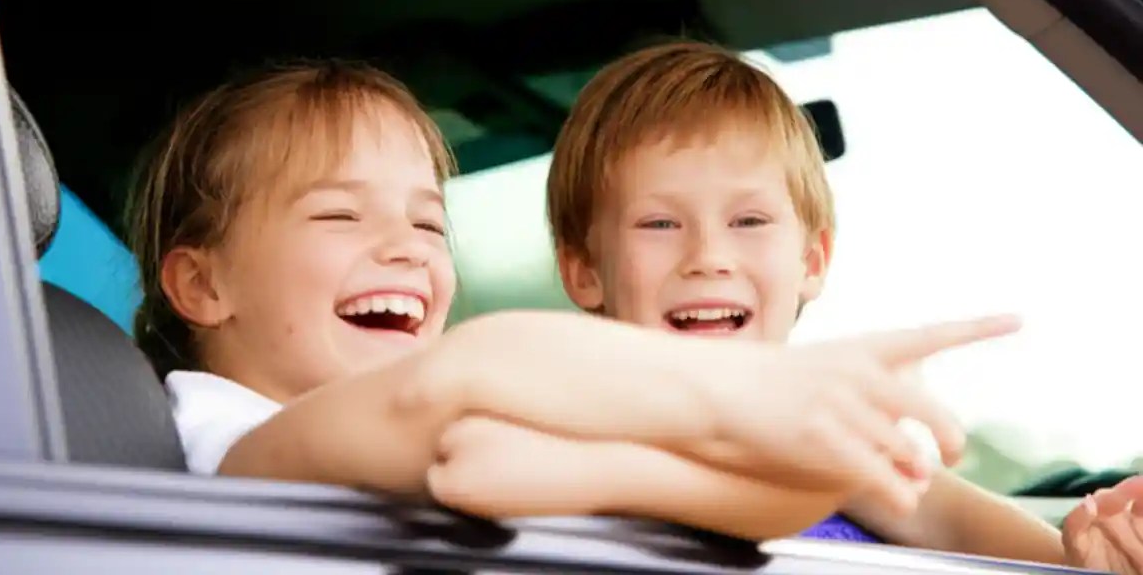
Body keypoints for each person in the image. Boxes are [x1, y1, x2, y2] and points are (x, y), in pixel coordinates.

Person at [125, 60, 1013, 542]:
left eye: (430, 225)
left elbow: (485, 451)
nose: (404, 246)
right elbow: (467, 401)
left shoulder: (420, 422)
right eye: (340, 213)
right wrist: (739, 403)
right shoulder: (219, 443)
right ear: (203, 284)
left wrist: (811, 457)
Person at [540, 41, 1079, 561]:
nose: (708, 256)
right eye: (659, 223)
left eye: (748, 221)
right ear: (584, 270)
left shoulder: (835, 448)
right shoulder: (558, 444)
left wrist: (1095, 550)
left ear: (812, 260)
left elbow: (983, 534)